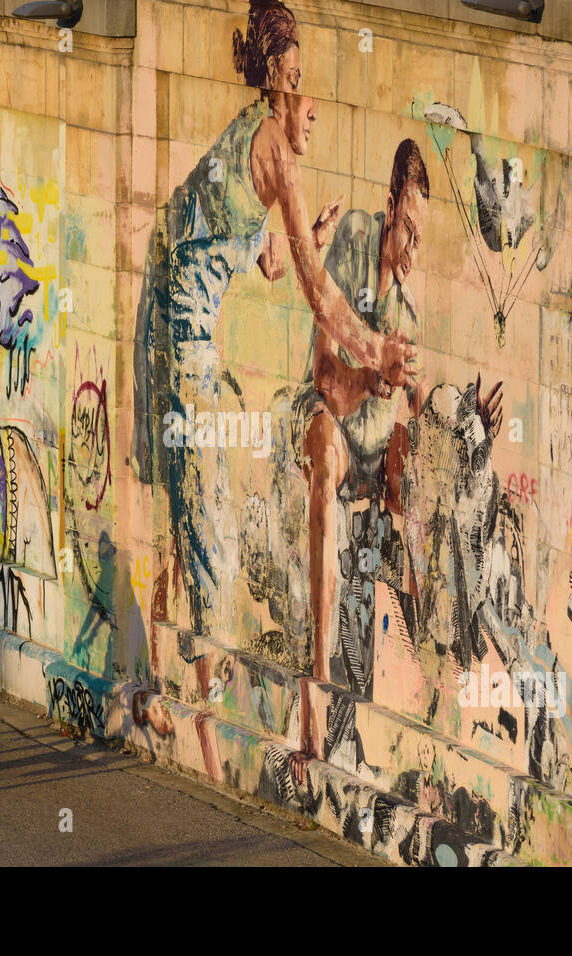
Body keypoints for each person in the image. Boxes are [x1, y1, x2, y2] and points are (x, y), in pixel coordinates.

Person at [130, 0, 418, 636]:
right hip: (184, 345)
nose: (312, 105)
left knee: (191, 515)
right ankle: (200, 705)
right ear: (280, 85)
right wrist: (377, 352)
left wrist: (308, 236)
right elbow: (318, 292)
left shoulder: (245, 131)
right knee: (211, 537)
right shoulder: (274, 151)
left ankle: (166, 685)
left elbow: (272, 264)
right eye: (300, 84)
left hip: (176, 336)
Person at [292, 139, 502, 764]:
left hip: (374, 453)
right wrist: (370, 380)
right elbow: (328, 380)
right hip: (323, 421)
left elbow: (415, 419)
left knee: (418, 451)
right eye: (408, 228)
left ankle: (435, 646)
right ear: (389, 209)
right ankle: (320, 671)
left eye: (421, 236)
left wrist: (468, 434)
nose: (413, 247)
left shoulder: (407, 309)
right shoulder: (355, 240)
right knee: (327, 443)